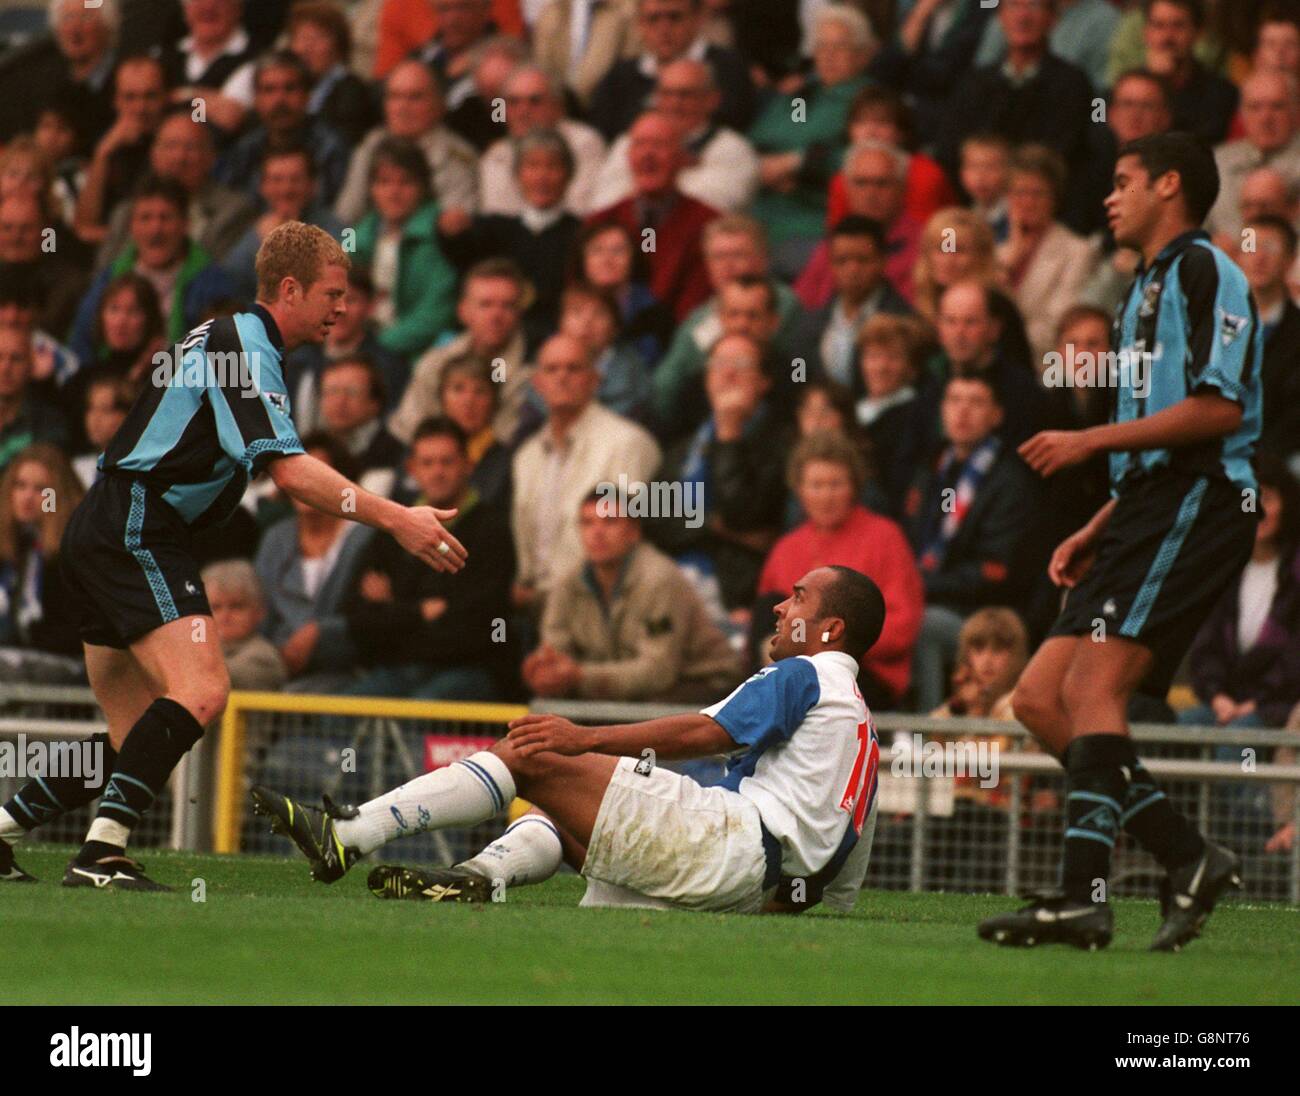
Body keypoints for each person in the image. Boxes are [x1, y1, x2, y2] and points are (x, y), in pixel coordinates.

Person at [0, 221, 469, 890]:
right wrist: (398, 518)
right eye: (333, 293)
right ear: (288, 289)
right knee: (203, 689)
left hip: (103, 523)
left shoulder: (230, 340)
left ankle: (3, 828)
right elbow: (291, 472)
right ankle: (102, 853)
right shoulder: (246, 342)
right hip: (135, 521)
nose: (345, 308)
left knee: (131, 731)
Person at [979, 133, 1263, 952]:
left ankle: (1082, 898)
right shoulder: (1142, 286)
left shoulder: (1207, 271)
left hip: (1199, 501)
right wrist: (1098, 522)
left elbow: (1218, 412)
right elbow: (1161, 431)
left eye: (1123, 182)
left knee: (1094, 689)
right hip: (1148, 506)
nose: (1109, 198)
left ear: (1169, 185)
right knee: (1039, 697)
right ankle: (1188, 854)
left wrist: (1089, 443)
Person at [252, 564, 886, 918]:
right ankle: (480, 875)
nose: (780, 605)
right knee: (562, 822)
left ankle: (349, 834)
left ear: (830, 628)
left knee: (537, 756)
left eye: (798, 596)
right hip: (752, 885)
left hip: (730, 848)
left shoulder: (808, 673)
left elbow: (705, 730)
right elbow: (840, 874)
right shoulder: (862, 727)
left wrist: (586, 738)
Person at [341, 417, 515, 701]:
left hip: (469, 673)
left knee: (418, 715)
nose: (438, 472)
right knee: (336, 715)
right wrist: (419, 612)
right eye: (428, 463)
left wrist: (392, 607)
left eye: (447, 462)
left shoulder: (492, 529)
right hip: (395, 669)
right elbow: (357, 620)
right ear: (411, 468)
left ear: (468, 465)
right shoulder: (391, 530)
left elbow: (480, 627)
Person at [756, 431, 922, 710]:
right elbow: (766, 620)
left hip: (861, 671)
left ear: (854, 487)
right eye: (816, 485)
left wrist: (825, 644)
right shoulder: (787, 547)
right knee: (765, 610)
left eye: (836, 484)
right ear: (800, 490)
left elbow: (903, 625)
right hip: (793, 671)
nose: (826, 496)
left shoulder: (885, 537)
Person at [524, 491, 739, 703]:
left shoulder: (659, 579)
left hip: (703, 681)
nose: (597, 532)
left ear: (634, 531)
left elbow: (658, 672)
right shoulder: (565, 584)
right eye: (587, 523)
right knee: (552, 704)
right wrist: (546, 672)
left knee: (649, 715)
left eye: (610, 521)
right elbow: (555, 652)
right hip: (630, 688)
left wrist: (579, 676)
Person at [510, 333, 661, 610]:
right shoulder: (525, 456)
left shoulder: (628, 443)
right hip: (532, 607)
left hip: (599, 605)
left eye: (573, 368)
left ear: (595, 379)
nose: (562, 377)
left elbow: (622, 538)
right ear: (537, 384)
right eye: (552, 369)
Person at [585, 111, 720, 322]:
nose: (648, 154)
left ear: (683, 158)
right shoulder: (600, 223)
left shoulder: (708, 225)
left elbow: (696, 308)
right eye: (639, 145)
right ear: (628, 156)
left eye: (659, 145)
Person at [352, 137, 459, 359]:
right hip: (364, 348)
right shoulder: (359, 236)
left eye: (405, 182)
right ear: (371, 188)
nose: (394, 192)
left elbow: (436, 314)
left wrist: (378, 345)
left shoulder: (441, 235)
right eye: (384, 182)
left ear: (423, 187)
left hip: (420, 353)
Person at [0, 444, 86, 682]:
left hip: (67, 665)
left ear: (57, 496)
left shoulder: (72, 554)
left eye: (41, 489)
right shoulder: (17, 548)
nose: (27, 496)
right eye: (20, 485)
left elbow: (76, 633)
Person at [478, 65, 606, 217]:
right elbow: (497, 216)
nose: (523, 111)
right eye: (513, 102)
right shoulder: (496, 155)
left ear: (557, 106)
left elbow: (580, 209)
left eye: (535, 101)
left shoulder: (584, 142)